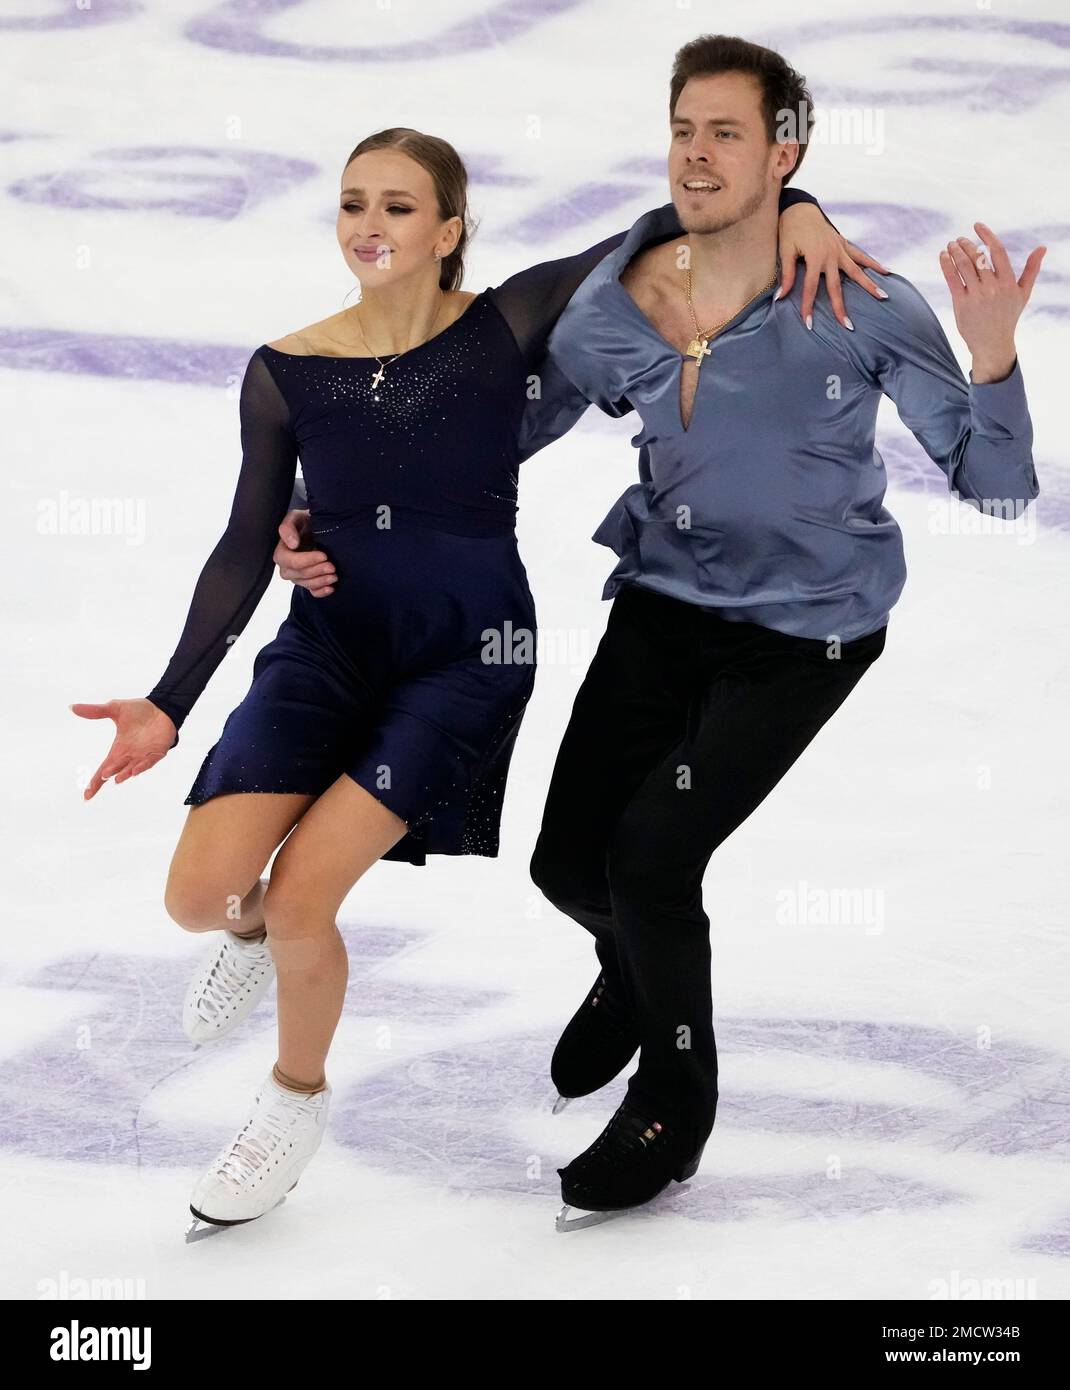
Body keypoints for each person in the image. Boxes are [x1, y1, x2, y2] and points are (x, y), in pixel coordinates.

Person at [71, 124, 872, 1234]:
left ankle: (290, 1104)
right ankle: (251, 935)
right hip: (328, 646)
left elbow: (684, 224)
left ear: (449, 230)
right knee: (198, 896)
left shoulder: (506, 321)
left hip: (468, 656)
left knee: (308, 891)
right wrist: (169, 700)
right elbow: (242, 539)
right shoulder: (285, 369)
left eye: (399, 206)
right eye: (354, 203)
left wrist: (800, 208)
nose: (370, 225)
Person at [520, 34, 1044, 1228]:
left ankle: (674, 1102)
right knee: (566, 864)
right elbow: (508, 432)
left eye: (727, 134)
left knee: (650, 856)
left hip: (804, 635)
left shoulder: (858, 304)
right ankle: (632, 968)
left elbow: (998, 486)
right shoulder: (612, 300)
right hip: (662, 605)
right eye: (683, 131)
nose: (698, 157)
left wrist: (993, 355)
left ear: (782, 151)